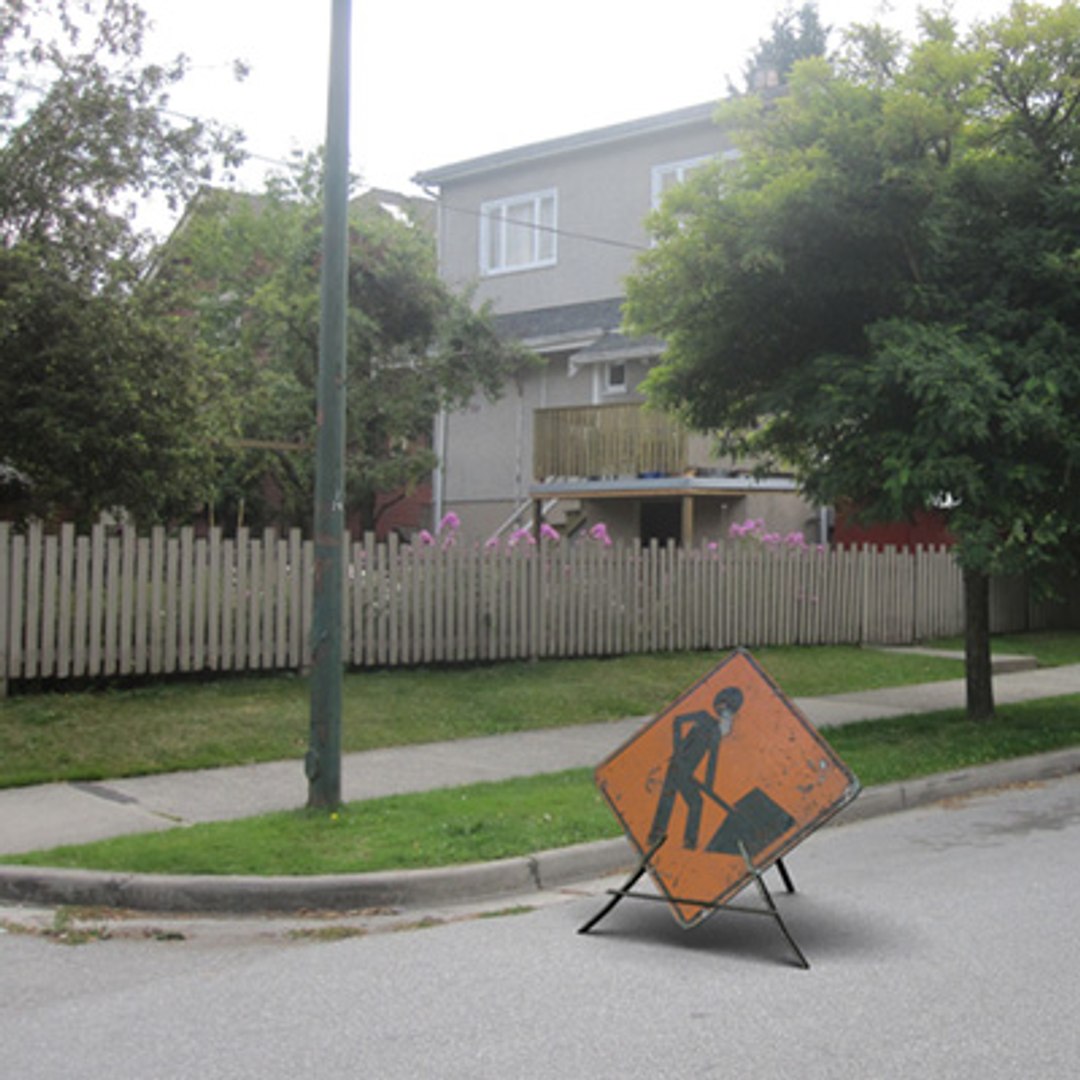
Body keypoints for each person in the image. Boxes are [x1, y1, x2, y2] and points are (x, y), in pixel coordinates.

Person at [648, 686, 742, 849]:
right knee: (671, 799)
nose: (726, 715)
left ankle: (688, 842)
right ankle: (658, 837)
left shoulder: (716, 734)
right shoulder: (703, 717)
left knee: (691, 802)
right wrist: (677, 751)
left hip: (687, 772)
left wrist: (709, 786)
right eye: (724, 709)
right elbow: (677, 720)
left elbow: (712, 761)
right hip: (678, 766)